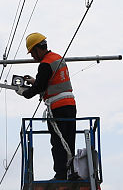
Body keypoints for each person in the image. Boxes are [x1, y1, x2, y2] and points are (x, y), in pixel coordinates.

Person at [17, 32, 81, 181]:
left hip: (58, 107)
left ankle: (60, 175)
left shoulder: (44, 64)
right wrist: (36, 81)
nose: (32, 57)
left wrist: (24, 93)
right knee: (69, 139)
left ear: (37, 49)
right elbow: (49, 81)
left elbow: (40, 87)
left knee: (58, 142)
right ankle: (72, 172)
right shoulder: (58, 58)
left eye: (32, 53)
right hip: (70, 104)